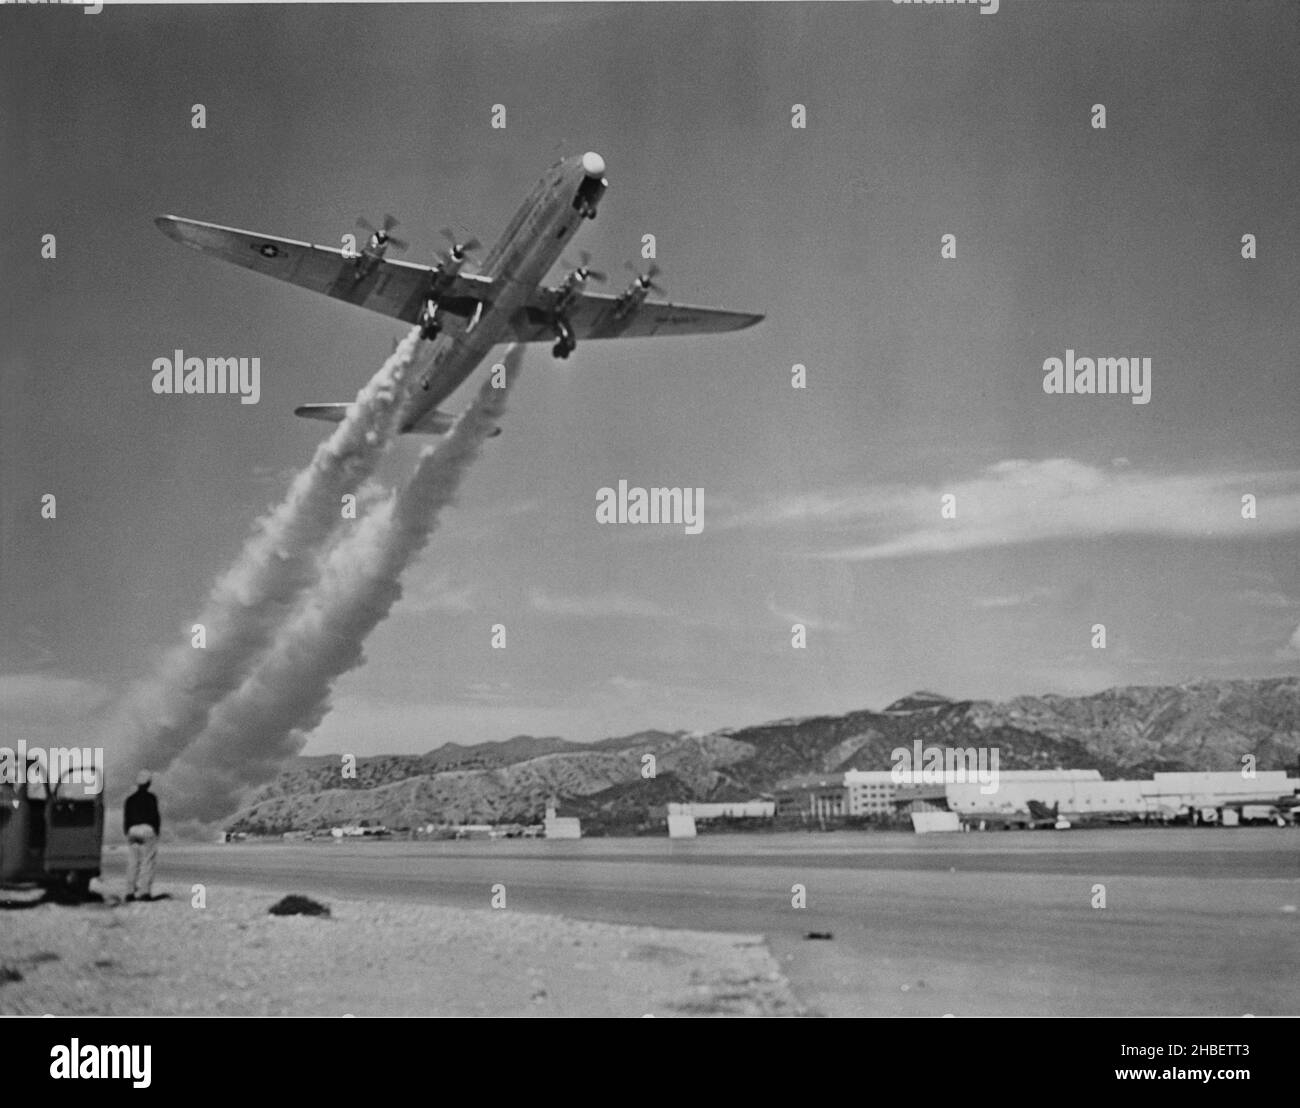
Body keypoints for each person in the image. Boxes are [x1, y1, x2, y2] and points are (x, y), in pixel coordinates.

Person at [123, 770, 160, 901]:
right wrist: (156, 831)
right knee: (147, 861)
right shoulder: (151, 798)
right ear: (149, 783)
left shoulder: (130, 799)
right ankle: (145, 892)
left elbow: (126, 819)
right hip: (147, 830)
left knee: (133, 862)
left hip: (132, 830)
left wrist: (127, 832)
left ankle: (129, 892)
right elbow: (155, 816)